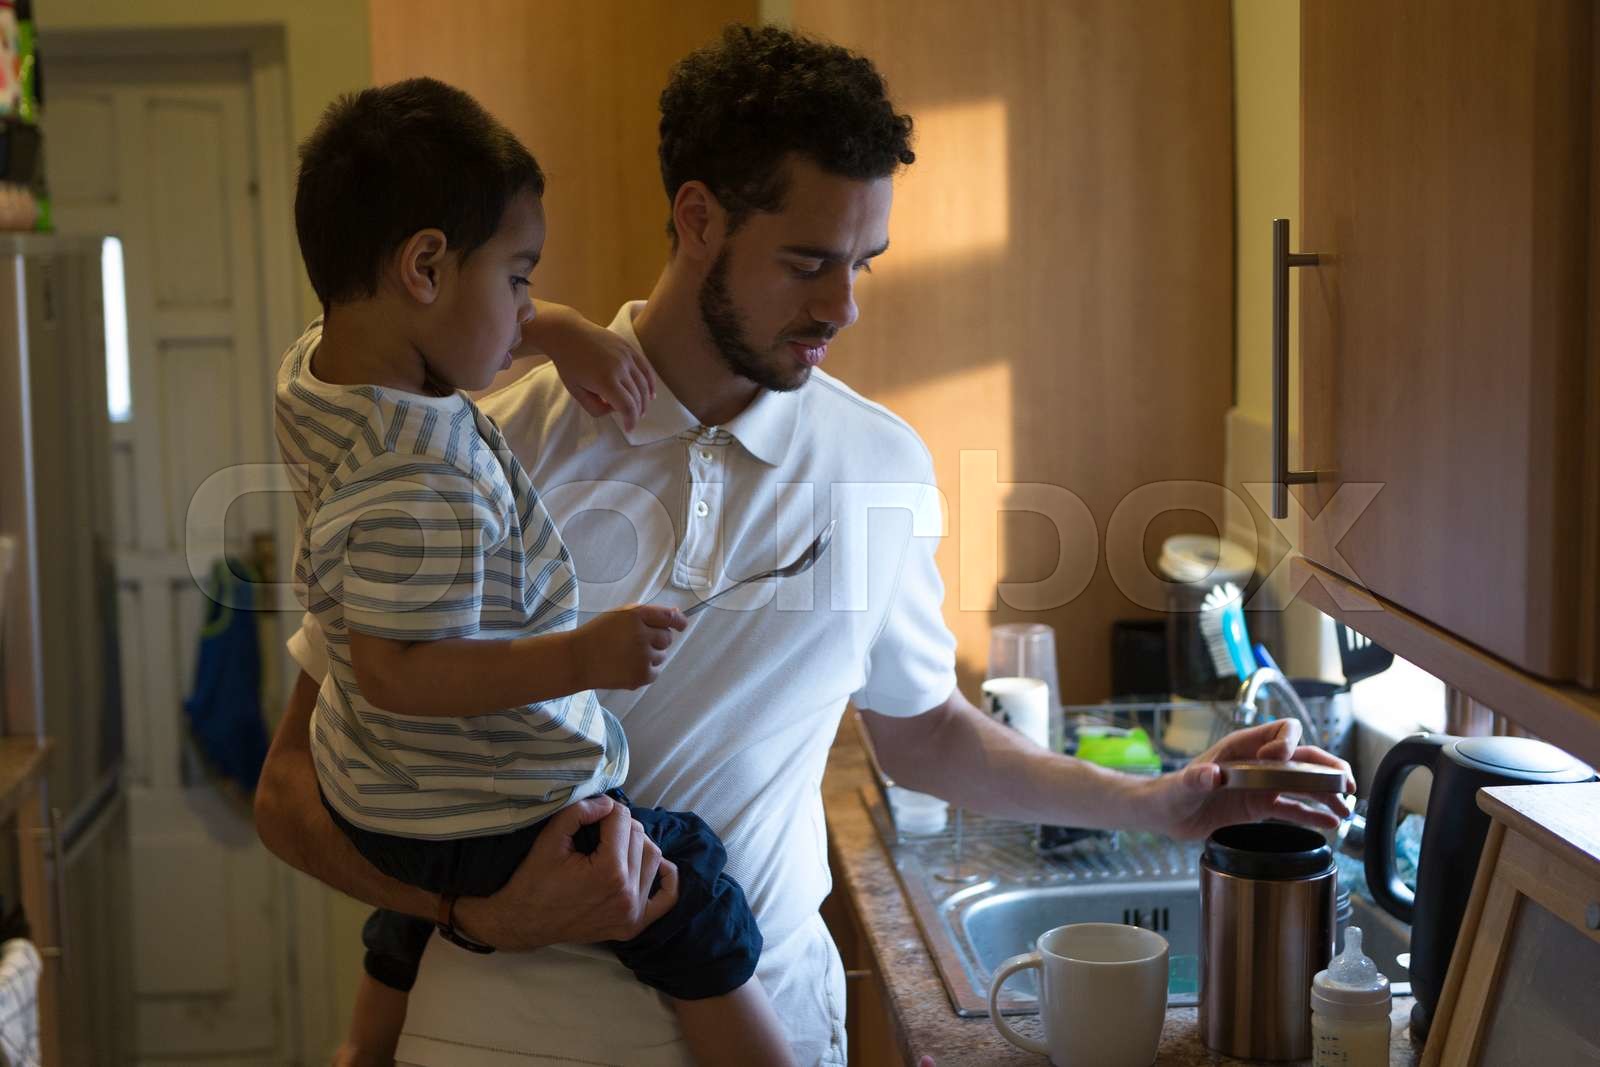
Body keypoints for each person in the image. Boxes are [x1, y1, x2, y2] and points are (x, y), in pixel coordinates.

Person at [255, 26, 1354, 1067]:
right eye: (806, 261)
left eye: (863, 263)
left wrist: (1161, 801)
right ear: (696, 218)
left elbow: (923, 732)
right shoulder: (478, 445)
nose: (843, 306)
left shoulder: (880, 465)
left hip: (776, 1017)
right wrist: (468, 907)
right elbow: (293, 785)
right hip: (505, 1034)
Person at [275, 76, 794, 1067]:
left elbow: (438, 353)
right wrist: (578, 657)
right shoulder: (417, 478)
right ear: (424, 265)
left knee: (426, 842)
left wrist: (553, 330)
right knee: (692, 876)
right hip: (450, 791)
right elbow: (397, 670)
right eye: (519, 277)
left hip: (377, 782)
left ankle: (360, 1048)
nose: (526, 303)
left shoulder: (327, 369)